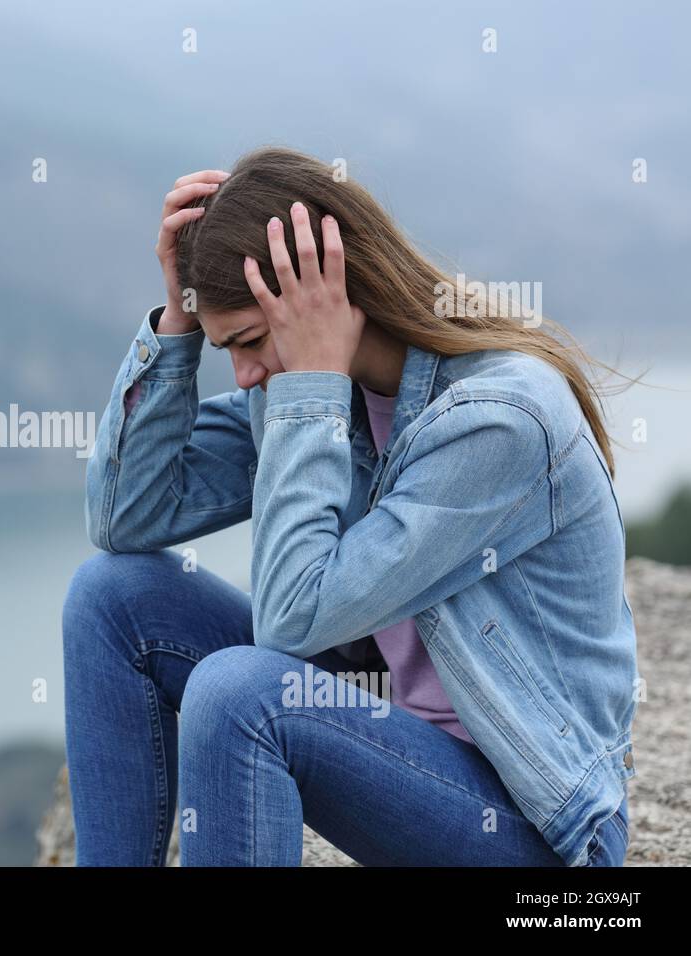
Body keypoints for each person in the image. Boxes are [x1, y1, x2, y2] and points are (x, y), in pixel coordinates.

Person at [62, 146, 641, 866]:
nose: (243, 375)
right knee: (110, 597)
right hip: (396, 750)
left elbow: (289, 622)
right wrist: (178, 323)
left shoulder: (497, 418)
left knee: (240, 693)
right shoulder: (315, 391)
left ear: (333, 303)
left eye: (247, 341)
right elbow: (127, 518)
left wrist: (310, 387)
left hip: (529, 826)